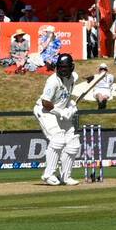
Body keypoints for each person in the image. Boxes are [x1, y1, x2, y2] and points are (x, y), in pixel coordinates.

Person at [35, 52, 80, 186]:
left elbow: (87, 81)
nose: (62, 70)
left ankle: (65, 176)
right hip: (46, 111)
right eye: (60, 67)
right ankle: (48, 175)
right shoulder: (52, 81)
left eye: (65, 67)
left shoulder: (74, 77)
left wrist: (70, 106)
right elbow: (45, 102)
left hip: (61, 111)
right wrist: (61, 111)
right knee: (58, 139)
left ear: (71, 67)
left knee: (73, 142)